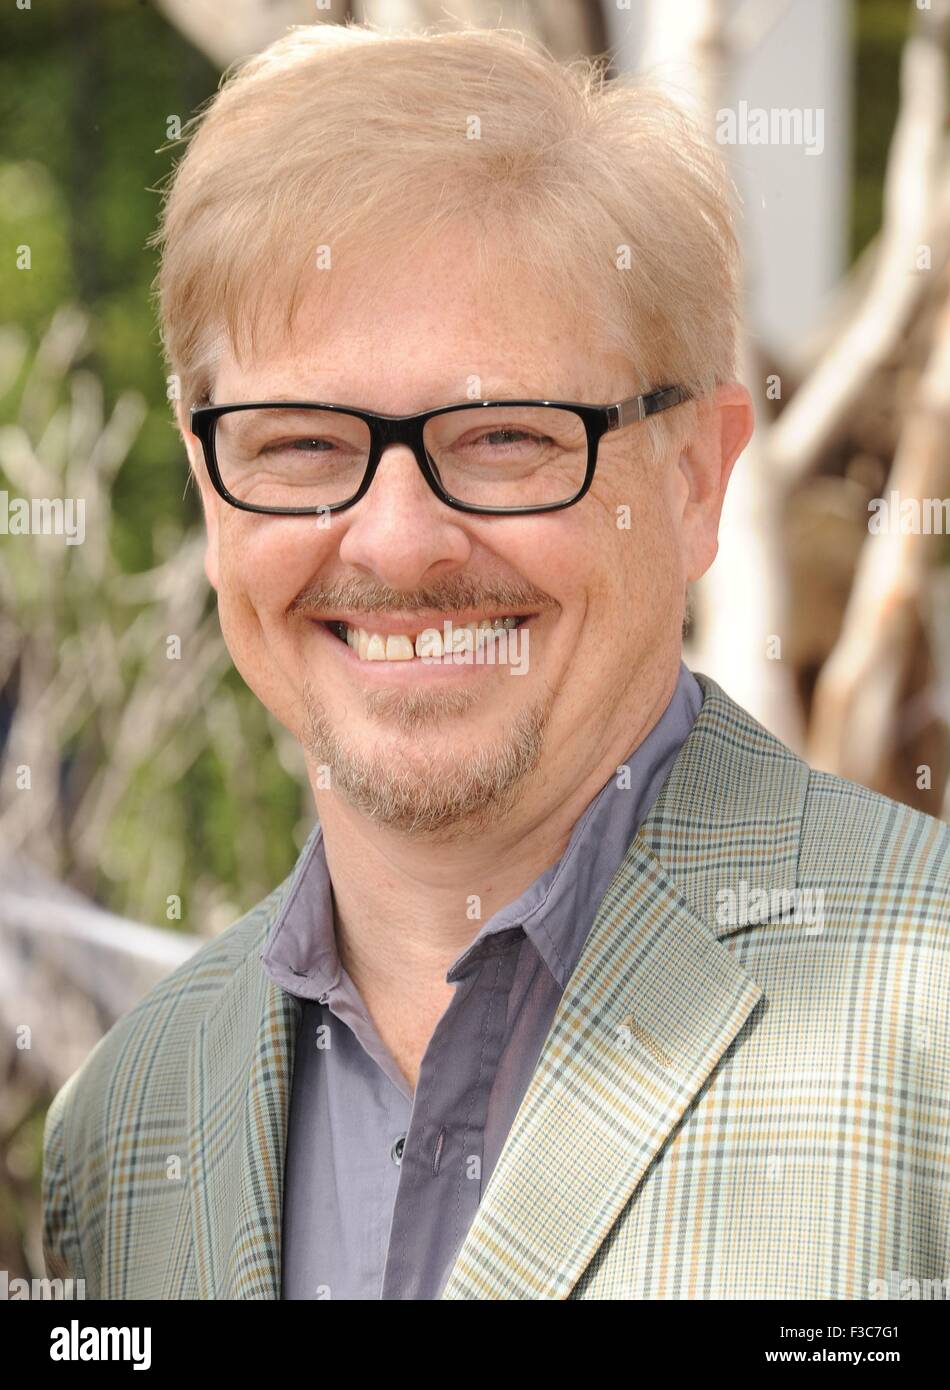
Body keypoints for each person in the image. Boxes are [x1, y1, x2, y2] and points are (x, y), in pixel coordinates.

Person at [42, 21, 950, 1301]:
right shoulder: (123, 1130)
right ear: (209, 490)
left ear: (693, 477)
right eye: (299, 443)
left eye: (505, 438)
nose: (401, 543)